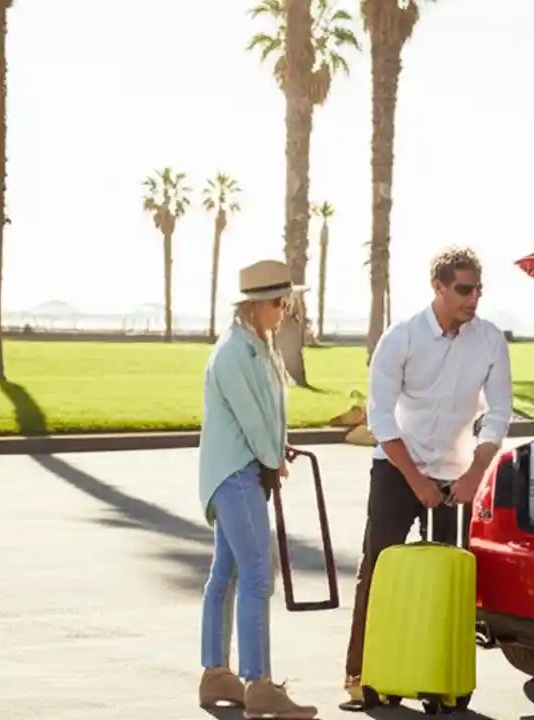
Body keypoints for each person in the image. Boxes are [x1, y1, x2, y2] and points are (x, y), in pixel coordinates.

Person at [340, 246, 514, 711]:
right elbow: (380, 419)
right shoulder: (401, 338)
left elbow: (499, 412)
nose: (472, 298)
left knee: (446, 580)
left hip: (457, 475)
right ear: (438, 287)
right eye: (463, 289)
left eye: (477, 289)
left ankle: (439, 678)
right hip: (398, 469)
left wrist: (476, 473)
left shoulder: (490, 340)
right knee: (378, 567)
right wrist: (415, 480)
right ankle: (362, 675)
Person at [196, 259, 318, 720]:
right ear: (256, 305)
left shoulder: (254, 346)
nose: (285, 310)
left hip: (238, 471)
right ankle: (259, 684)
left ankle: (215, 675)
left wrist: (277, 448)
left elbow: (266, 413)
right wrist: (273, 460)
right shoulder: (234, 353)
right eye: (279, 302)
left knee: (225, 573)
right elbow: (250, 417)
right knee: (256, 575)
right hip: (236, 473)